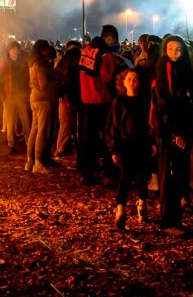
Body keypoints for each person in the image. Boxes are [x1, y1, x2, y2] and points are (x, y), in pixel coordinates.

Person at [149, 34, 193, 235]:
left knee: (179, 174)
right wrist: (176, 131)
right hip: (170, 130)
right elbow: (167, 102)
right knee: (171, 175)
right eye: (170, 49)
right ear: (165, 50)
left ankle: (174, 220)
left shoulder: (183, 69)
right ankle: (168, 222)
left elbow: (187, 98)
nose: (174, 53)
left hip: (179, 128)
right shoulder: (166, 68)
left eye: (178, 49)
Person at [108, 40, 155, 228]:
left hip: (142, 143)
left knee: (143, 176)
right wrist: (113, 148)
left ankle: (142, 203)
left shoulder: (146, 101)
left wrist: (152, 141)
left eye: (135, 80)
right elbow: (112, 126)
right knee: (125, 177)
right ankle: (120, 208)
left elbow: (151, 123)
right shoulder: (119, 102)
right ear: (123, 82)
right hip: (125, 144)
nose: (133, 82)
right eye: (129, 79)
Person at [76, 26, 124, 185]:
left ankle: (86, 172)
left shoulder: (86, 50)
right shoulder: (106, 55)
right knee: (108, 138)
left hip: (86, 99)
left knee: (87, 137)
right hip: (102, 100)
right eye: (115, 40)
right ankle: (109, 174)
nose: (115, 43)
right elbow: (108, 78)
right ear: (109, 38)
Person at [25, 39, 60, 174]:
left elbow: (31, 82)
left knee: (35, 129)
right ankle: (39, 162)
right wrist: (54, 81)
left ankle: (30, 160)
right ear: (42, 49)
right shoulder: (40, 62)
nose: (48, 50)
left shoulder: (31, 61)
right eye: (46, 48)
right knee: (42, 131)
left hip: (34, 97)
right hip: (43, 98)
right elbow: (43, 83)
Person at [0, 42, 30, 153]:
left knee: (26, 120)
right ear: (9, 51)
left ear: (19, 50)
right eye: (12, 49)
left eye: (16, 49)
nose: (14, 51)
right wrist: (3, 97)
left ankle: (29, 141)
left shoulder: (23, 63)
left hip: (21, 96)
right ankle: (11, 143)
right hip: (9, 96)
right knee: (10, 121)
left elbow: (27, 79)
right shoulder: (4, 64)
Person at [54, 41, 82, 166]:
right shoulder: (72, 69)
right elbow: (68, 85)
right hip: (67, 100)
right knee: (66, 126)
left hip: (66, 99)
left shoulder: (62, 65)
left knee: (67, 125)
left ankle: (65, 149)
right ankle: (60, 150)